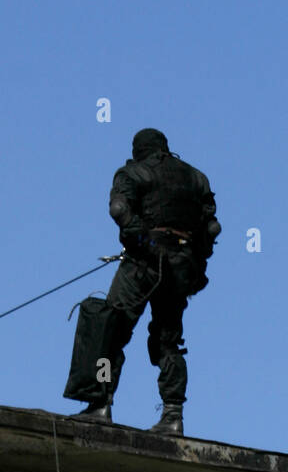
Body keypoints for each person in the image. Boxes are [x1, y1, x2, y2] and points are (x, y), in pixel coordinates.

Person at [70, 128, 220, 436]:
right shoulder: (197, 178)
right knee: (168, 339)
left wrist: (146, 244)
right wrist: (195, 263)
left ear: (140, 150)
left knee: (111, 329)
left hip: (143, 264)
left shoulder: (132, 172)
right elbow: (212, 228)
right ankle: (173, 415)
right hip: (180, 267)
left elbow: (119, 209)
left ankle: (100, 406)